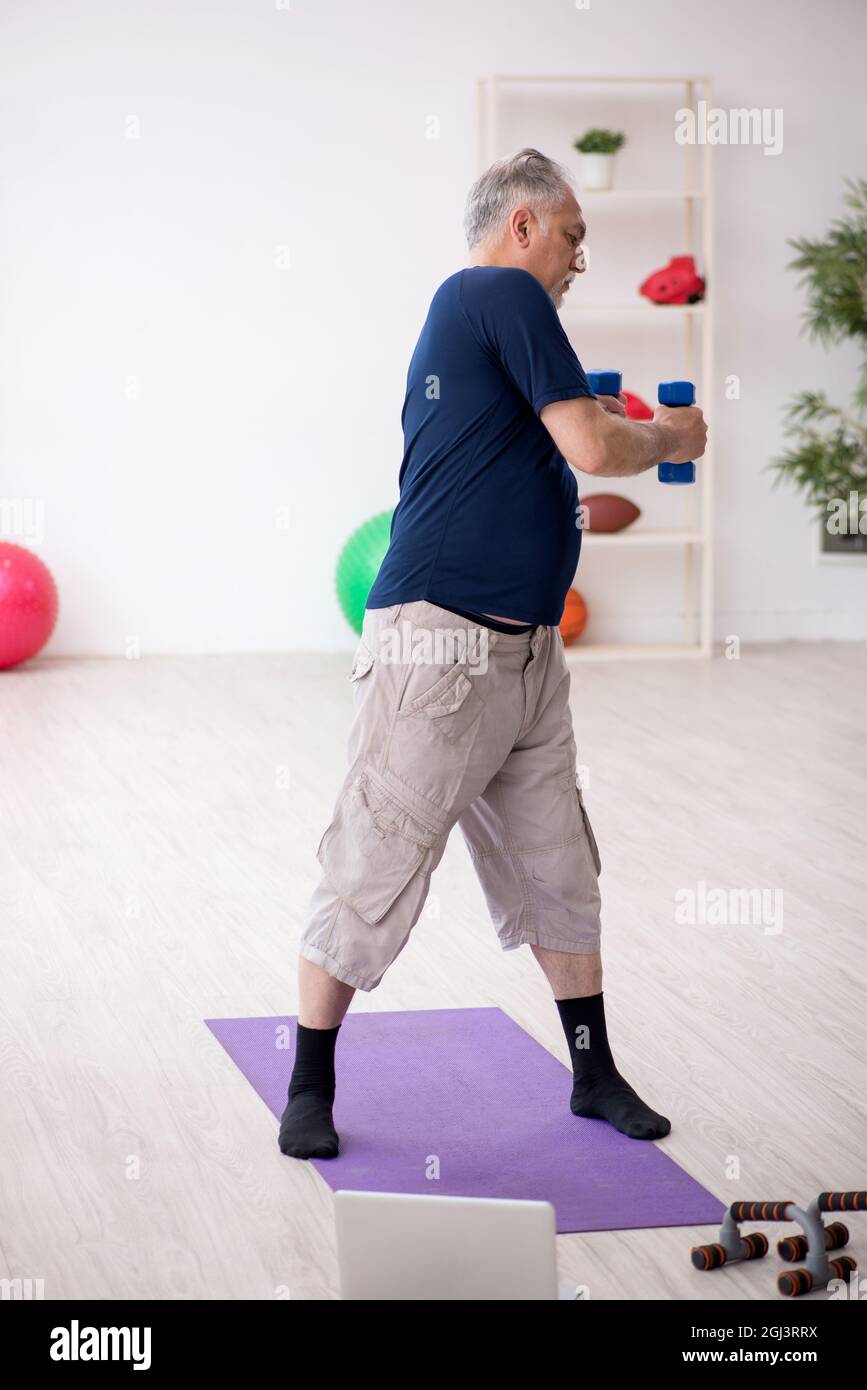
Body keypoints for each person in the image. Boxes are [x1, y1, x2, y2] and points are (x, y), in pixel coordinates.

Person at [279, 147, 708, 1160]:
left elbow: (584, 424)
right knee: (377, 857)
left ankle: (594, 1072)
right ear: (523, 226)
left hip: (524, 657)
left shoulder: (493, 322)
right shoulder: (500, 293)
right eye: (572, 237)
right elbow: (596, 450)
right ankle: (309, 1083)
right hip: (440, 647)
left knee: (560, 861)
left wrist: (624, 423)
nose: (578, 261)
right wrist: (679, 437)